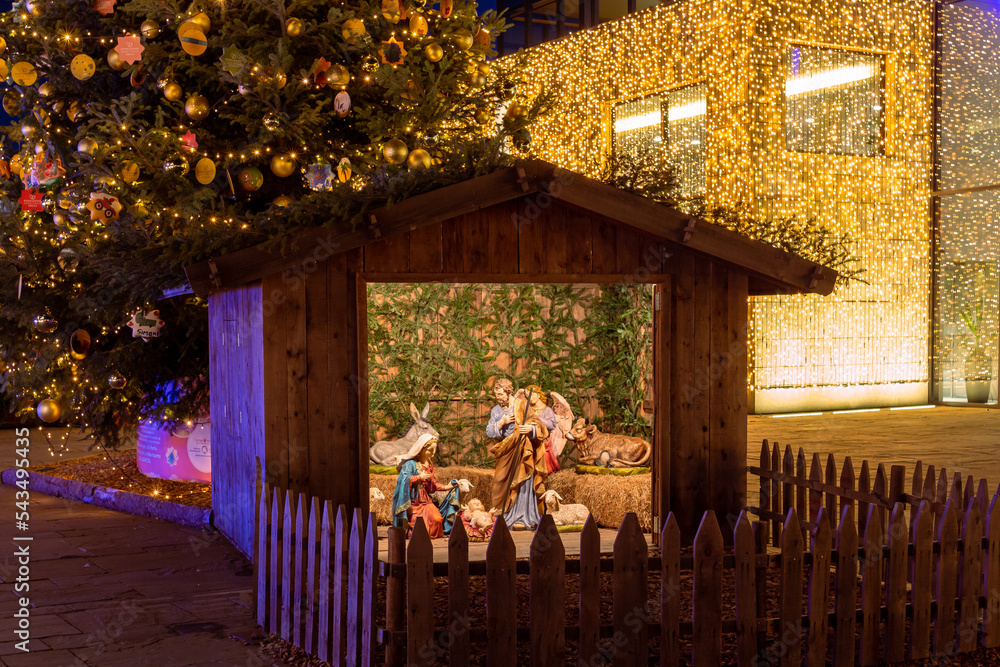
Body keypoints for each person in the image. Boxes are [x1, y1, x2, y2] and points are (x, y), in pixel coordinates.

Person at [489, 384, 556, 529]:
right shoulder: (496, 410)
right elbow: (489, 432)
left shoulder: (523, 405)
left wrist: (531, 429)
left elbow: (538, 423)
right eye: (496, 395)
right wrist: (502, 422)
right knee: (500, 482)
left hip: (523, 448)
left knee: (523, 481)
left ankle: (523, 515)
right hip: (506, 449)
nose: (498, 398)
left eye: (500, 394)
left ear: (508, 393)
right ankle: (504, 514)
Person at [390, 434, 460, 539]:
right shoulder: (410, 464)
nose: (433, 453)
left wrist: (447, 487)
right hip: (412, 503)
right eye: (430, 450)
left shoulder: (429, 464)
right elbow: (402, 480)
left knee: (437, 520)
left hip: (426, 502)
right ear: (421, 449)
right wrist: (419, 477)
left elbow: (433, 484)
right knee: (418, 525)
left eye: (434, 450)